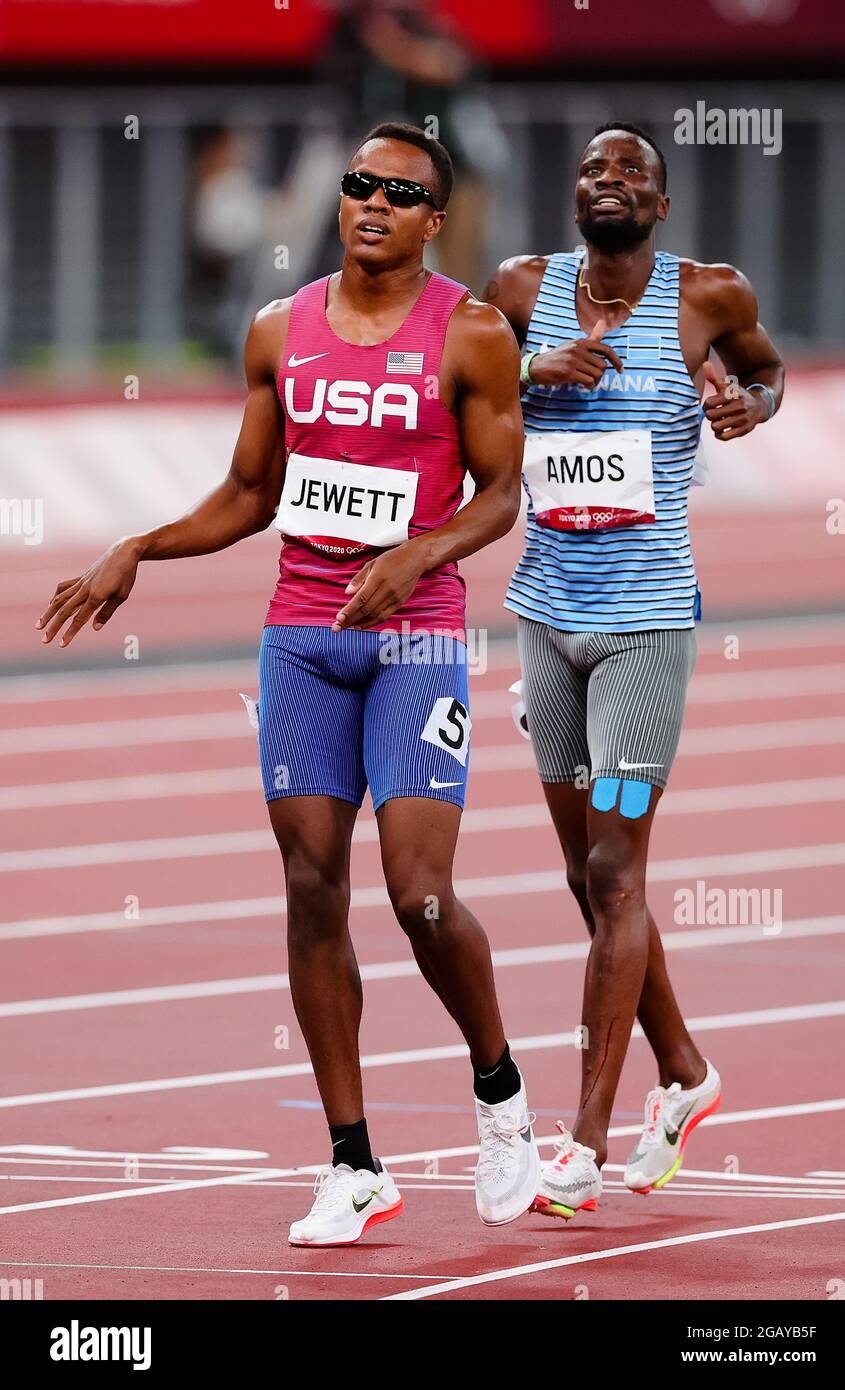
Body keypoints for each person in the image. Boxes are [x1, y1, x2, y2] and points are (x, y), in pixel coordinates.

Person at [37, 121, 541, 1247]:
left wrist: (415, 554)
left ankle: (500, 1094)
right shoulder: (280, 329)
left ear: (432, 218)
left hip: (414, 637)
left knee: (417, 890)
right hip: (301, 635)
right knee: (313, 889)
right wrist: (138, 547)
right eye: (357, 184)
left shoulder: (468, 334)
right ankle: (353, 1160)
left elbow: (501, 492)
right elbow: (248, 492)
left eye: (397, 193)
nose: (369, 203)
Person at [484, 122, 784, 1218]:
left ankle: (586, 1141)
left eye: (632, 173)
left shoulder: (707, 295)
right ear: (572, 198)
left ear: (659, 208)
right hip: (543, 621)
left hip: (643, 633)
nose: (606, 180)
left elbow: (766, 369)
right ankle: (688, 1075)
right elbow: (455, 382)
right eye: (591, 169)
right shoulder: (520, 287)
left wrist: (751, 405)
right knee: (585, 877)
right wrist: (529, 367)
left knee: (615, 870)